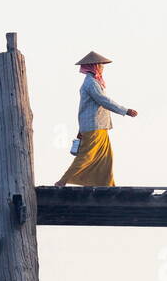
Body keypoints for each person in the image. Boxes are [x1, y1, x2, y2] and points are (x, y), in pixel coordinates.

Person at [54, 51, 137, 187]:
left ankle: (108, 185)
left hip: (98, 126)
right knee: (86, 156)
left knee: (105, 158)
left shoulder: (94, 82)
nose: (103, 67)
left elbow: (85, 108)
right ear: (95, 66)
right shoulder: (91, 83)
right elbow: (104, 101)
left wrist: (81, 129)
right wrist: (125, 110)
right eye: (101, 65)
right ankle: (62, 181)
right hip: (94, 127)